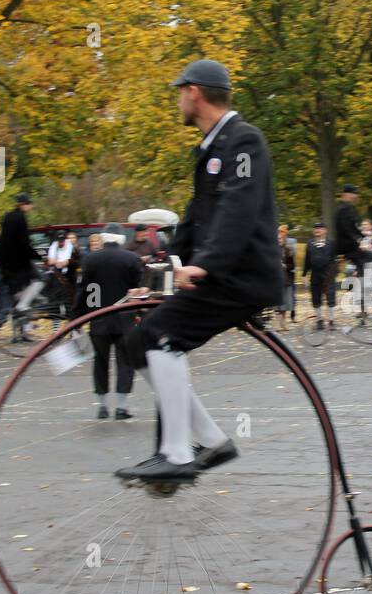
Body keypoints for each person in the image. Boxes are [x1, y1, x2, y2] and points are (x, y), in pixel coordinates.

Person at [115, 58, 281, 480]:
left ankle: (178, 452)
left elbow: (237, 210)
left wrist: (203, 267)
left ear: (194, 92)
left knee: (161, 336)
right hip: (220, 274)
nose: (177, 101)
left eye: (178, 92)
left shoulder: (245, 142)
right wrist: (160, 273)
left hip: (241, 278)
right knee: (138, 343)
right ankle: (209, 440)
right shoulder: (210, 148)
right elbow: (194, 219)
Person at [73, 223, 144, 419]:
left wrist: (76, 318)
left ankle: (102, 405)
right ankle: (122, 406)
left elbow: (85, 291)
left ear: (103, 238)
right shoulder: (131, 258)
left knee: (100, 361)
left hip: (98, 317)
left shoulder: (90, 260)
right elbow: (140, 289)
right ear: (121, 238)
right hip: (125, 318)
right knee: (125, 361)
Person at [0, 192, 42, 342]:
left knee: (16, 296)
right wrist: (39, 256)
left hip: (7, 265)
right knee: (40, 279)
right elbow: (23, 243)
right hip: (19, 264)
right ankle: (24, 311)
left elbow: (3, 241)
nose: (31, 206)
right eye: (29, 204)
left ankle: (19, 333)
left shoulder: (8, 216)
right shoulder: (20, 218)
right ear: (24, 204)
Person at [302, 222, 337, 330]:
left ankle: (331, 321)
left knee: (330, 298)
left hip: (328, 275)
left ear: (325, 230)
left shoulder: (331, 243)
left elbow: (335, 260)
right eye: (315, 228)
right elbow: (307, 260)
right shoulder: (310, 243)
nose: (317, 230)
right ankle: (319, 321)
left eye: (320, 228)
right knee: (316, 299)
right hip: (315, 274)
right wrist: (304, 275)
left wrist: (334, 273)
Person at [275, 224, 296, 331]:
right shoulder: (272, 251)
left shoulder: (288, 250)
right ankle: (279, 324)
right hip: (274, 280)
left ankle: (283, 322)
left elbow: (292, 265)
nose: (279, 240)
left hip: (285, 278)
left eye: (281, 238)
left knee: (285, 302)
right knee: (277, 303)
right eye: (277, 238)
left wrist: (285, 265)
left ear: (284, 239)